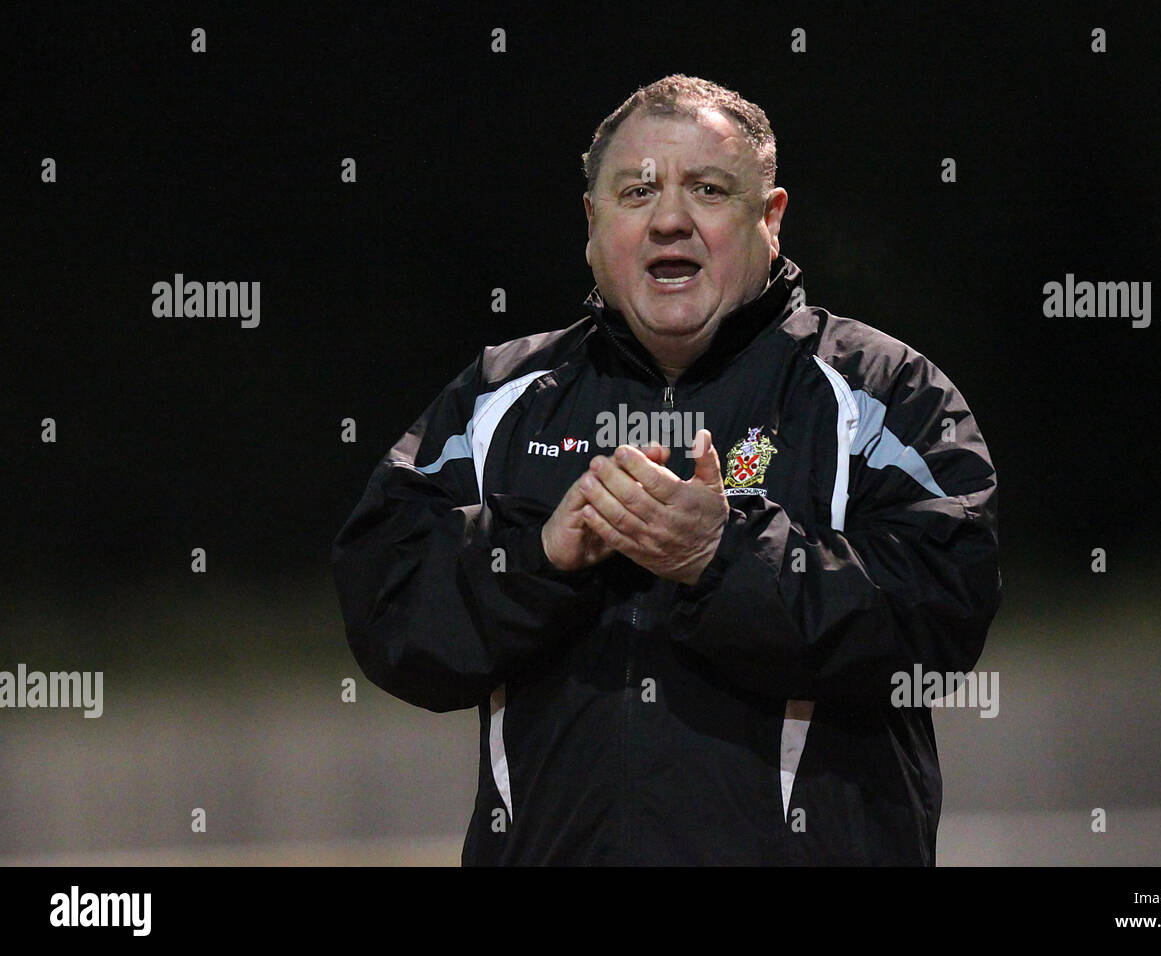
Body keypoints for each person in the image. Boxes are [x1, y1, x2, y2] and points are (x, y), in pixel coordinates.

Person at [331, 74, 1001, 865]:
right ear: (592, 223)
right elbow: (386, 607)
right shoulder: (498, 398)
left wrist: (724, 559)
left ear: (770, 219)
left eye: (709, 190)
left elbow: (945, 608)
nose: (670, 221)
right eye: (636, 192)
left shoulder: (882, 392)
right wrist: (539, 556)